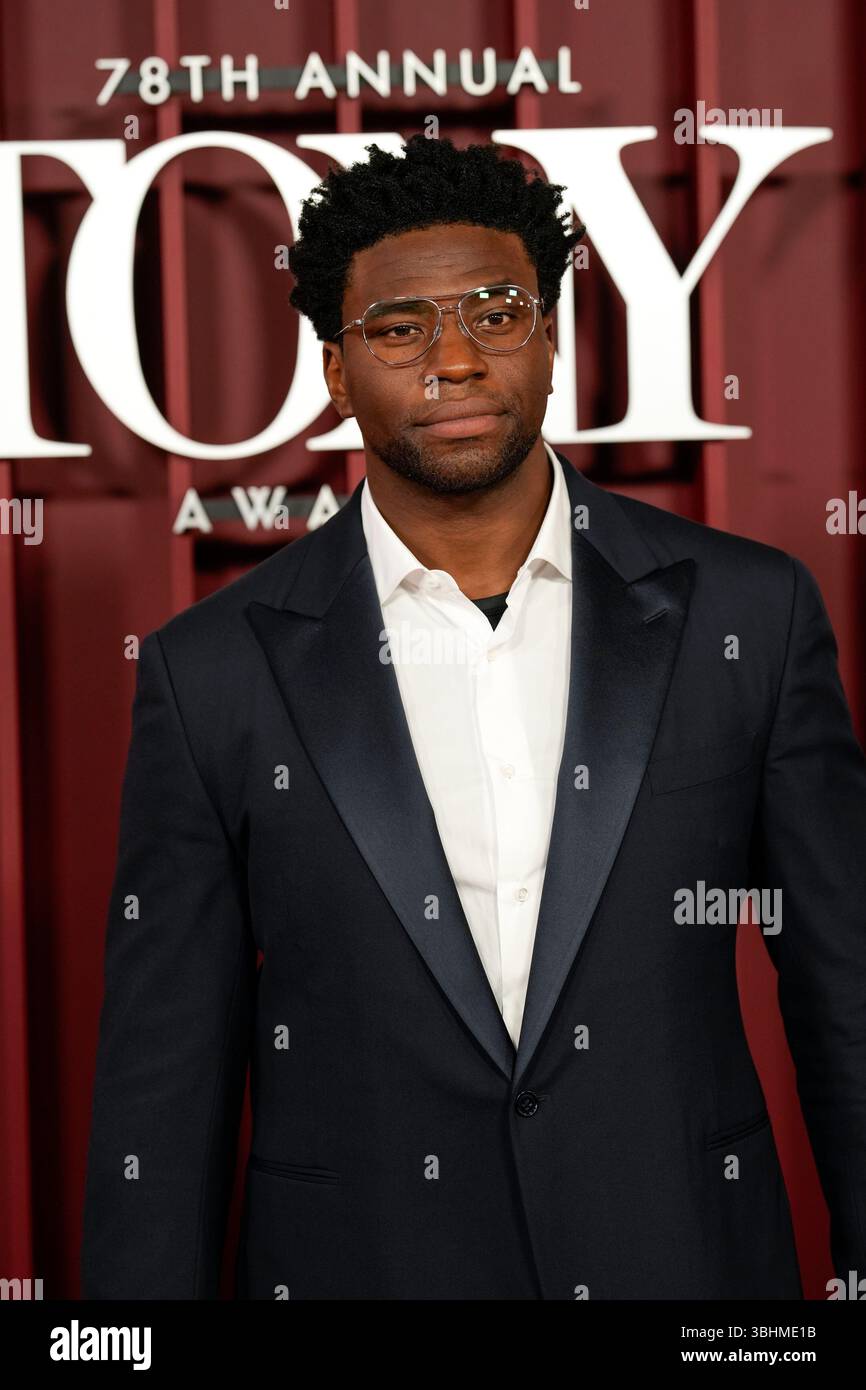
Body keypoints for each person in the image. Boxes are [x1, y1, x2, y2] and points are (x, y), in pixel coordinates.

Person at [81, 134, 866, 1300]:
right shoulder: (216, 670)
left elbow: (843, 995)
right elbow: (165, 1069)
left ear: (548, 337)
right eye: (399, 329)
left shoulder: (745, 612)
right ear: (338, 373)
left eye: (496, 313)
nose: (453, 359)